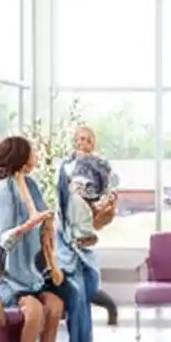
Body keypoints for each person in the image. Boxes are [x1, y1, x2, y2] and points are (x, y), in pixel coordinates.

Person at [0, 135, 66, 342]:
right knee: (33, 312)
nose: (35, 156)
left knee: (55, 306)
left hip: (32, 275)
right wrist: (29, 224)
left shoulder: (32, 185)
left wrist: (47, 224)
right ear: (21, 158)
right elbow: (4, 238)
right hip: (10, 277)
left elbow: (46, 223)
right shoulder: (2, 191)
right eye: (32, 152)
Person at [66, 125, 120, 325]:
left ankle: (105, 309)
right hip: (68, 222)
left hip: (87, 216)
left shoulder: (100, 165)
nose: (83, 143)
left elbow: (109, 187)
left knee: (82, 276)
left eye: (88, 140)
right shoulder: (67, 164)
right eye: (80, 139)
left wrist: (102, 204)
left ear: (93, 143)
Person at [55, 171, 101, 342]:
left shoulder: (76, 204)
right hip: (64, 260)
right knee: (79, 301)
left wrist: (74, 242)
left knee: (79, 299)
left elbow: (89, 238)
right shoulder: (61, 205)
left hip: (75, 260)